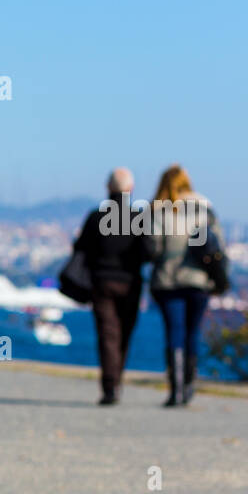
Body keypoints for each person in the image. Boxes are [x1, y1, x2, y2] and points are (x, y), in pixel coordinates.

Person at [143, 164, 219, 406]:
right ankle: (189, 386)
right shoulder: (204, 209)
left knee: (174, 332)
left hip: (168, 280)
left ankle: (175, 389)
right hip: (198, 280)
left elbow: (152, 248)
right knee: (192, 332)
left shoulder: (160, 211)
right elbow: (218, 244)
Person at [73, 167, 145, 404]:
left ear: (108, 188)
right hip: (130, 283)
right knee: (123, 333)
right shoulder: (139, 219)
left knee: (108, 334)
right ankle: (115, 381)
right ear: (131, 189)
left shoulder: (96, 217)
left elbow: (80, 248)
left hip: (101, 282)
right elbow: (147, 252)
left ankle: (110, 385)